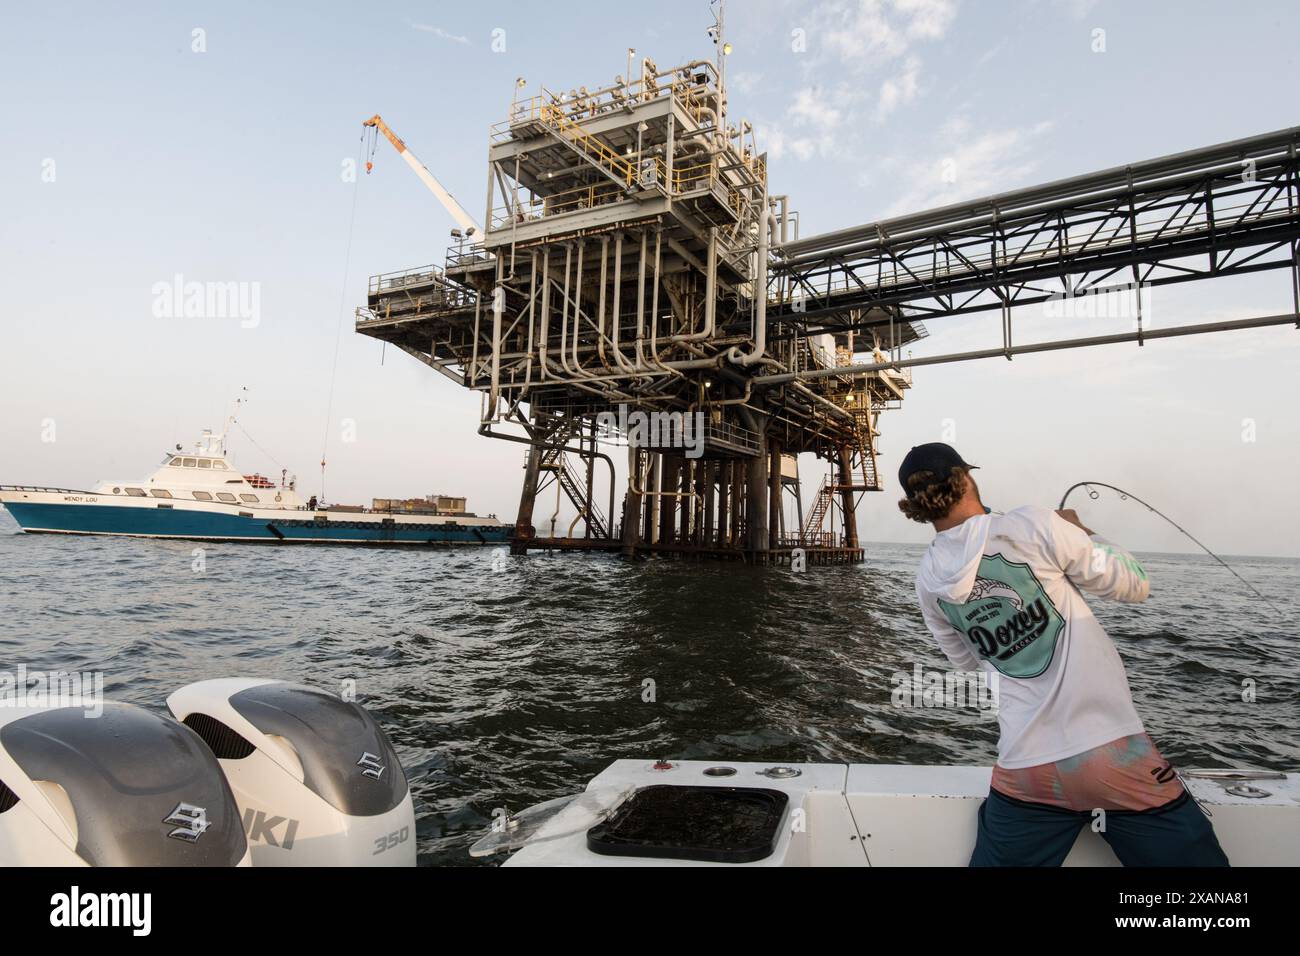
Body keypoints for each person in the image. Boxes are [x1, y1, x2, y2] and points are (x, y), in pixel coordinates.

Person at [898, 442, 1228, 867]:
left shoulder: (928, 581)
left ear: (917, 504)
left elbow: (969, 662)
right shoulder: (1031, 524)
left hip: (1024, 772)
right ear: (965, 478)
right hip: (1111, 756)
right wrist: (1080, 529)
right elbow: (1134, 583)